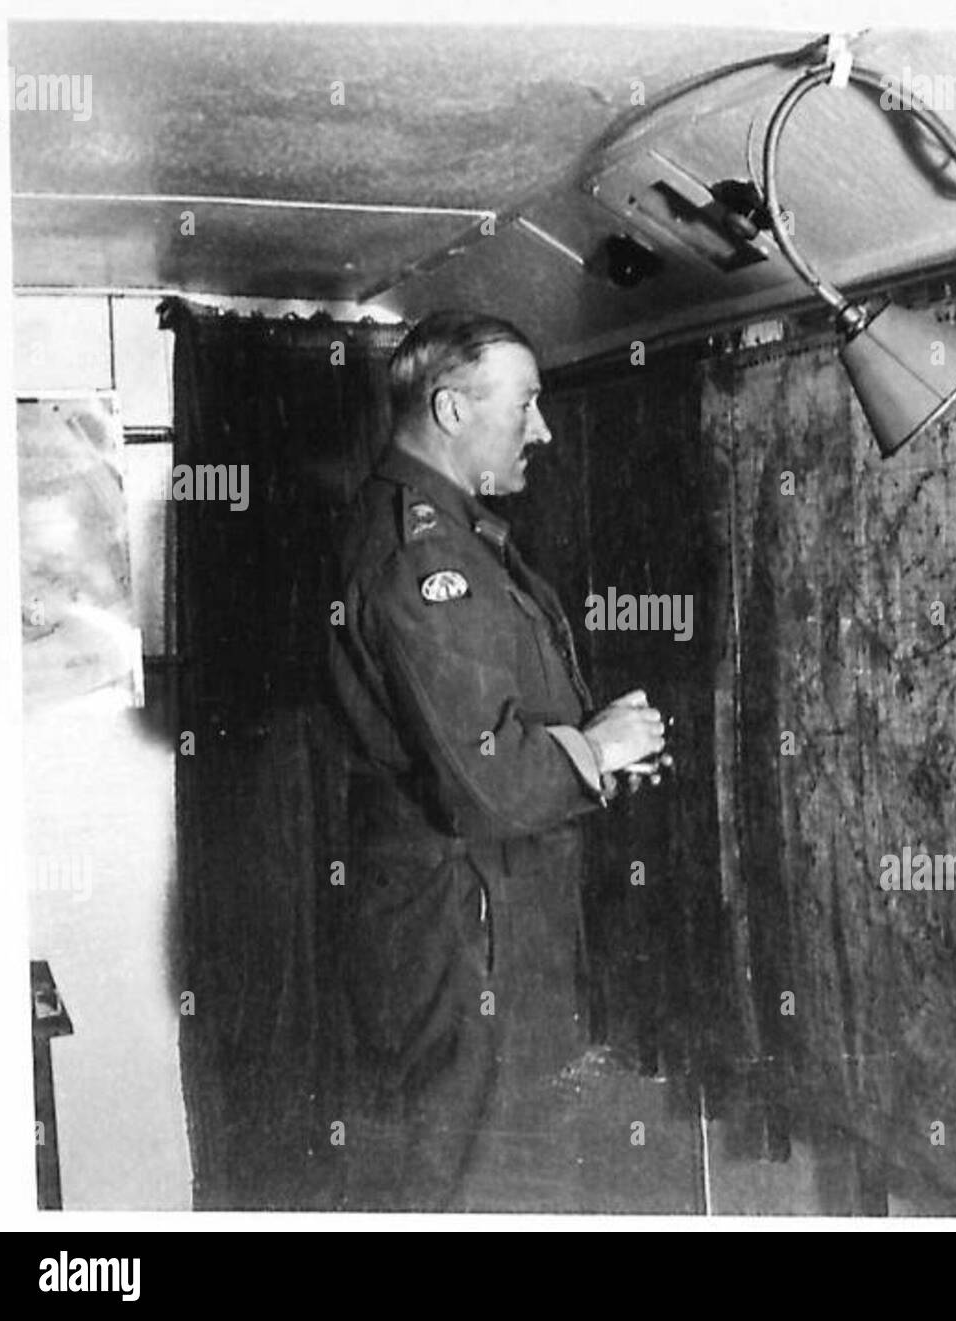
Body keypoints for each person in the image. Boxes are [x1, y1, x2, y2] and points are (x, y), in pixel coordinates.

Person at [328, 310, 668, 1211]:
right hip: (470, 933)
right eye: (526, 404)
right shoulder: (427, 554)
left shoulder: (440, 530)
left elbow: (467, 724)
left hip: (471, 916)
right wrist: (593, 749)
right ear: (449, 409)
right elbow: (486, 781)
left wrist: (589, 741)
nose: (543, 428)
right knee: (486, 1183)